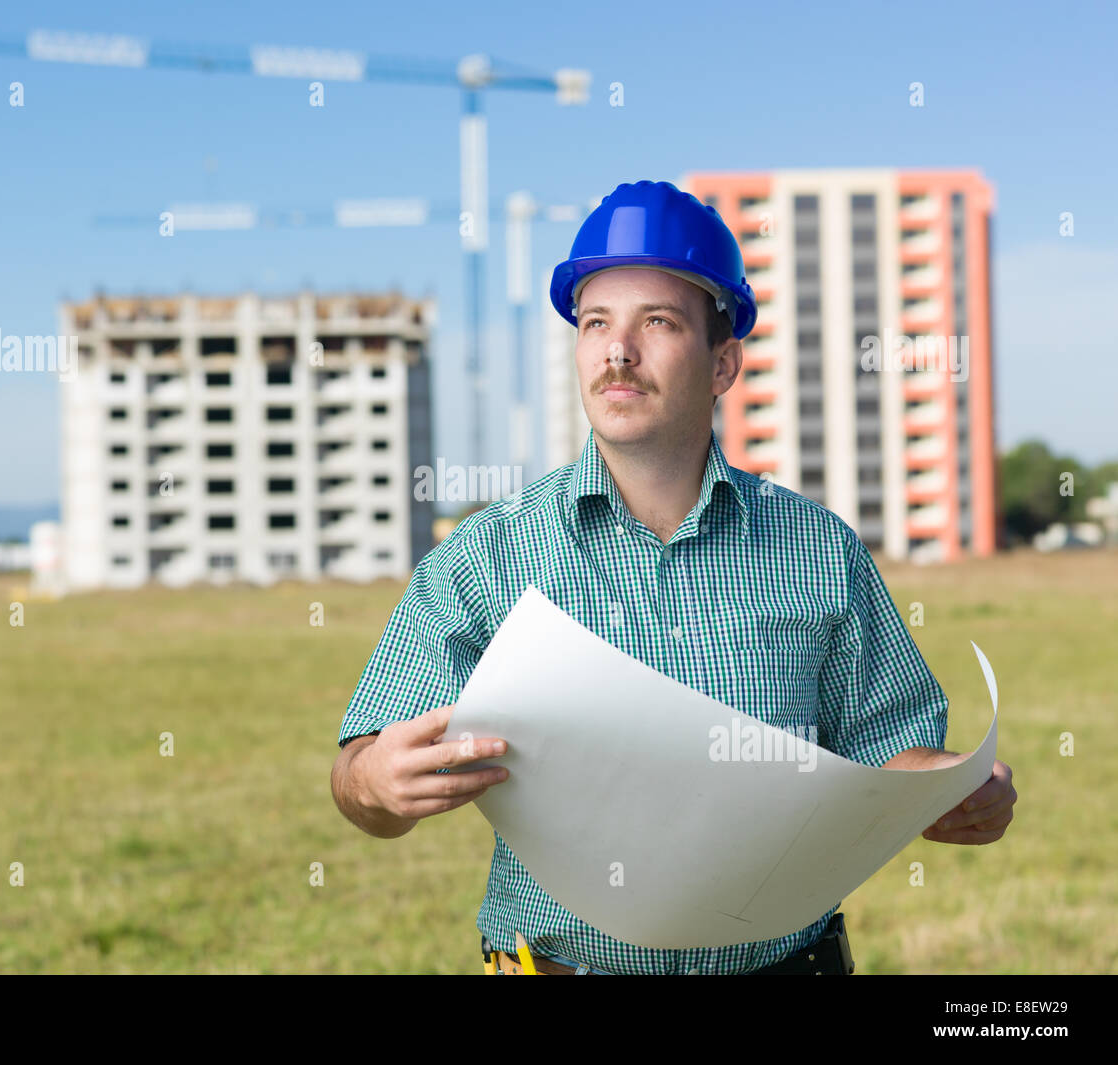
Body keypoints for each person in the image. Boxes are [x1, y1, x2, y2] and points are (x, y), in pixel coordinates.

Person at [330, 179, 1017, 975]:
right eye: (596, 324)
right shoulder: (484, 558)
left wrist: (954, 788)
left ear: (723, 361)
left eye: (656, 322)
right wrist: (375, 783)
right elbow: (358, 779)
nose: (618, 349)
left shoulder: (820, 549)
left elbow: (892, 753)